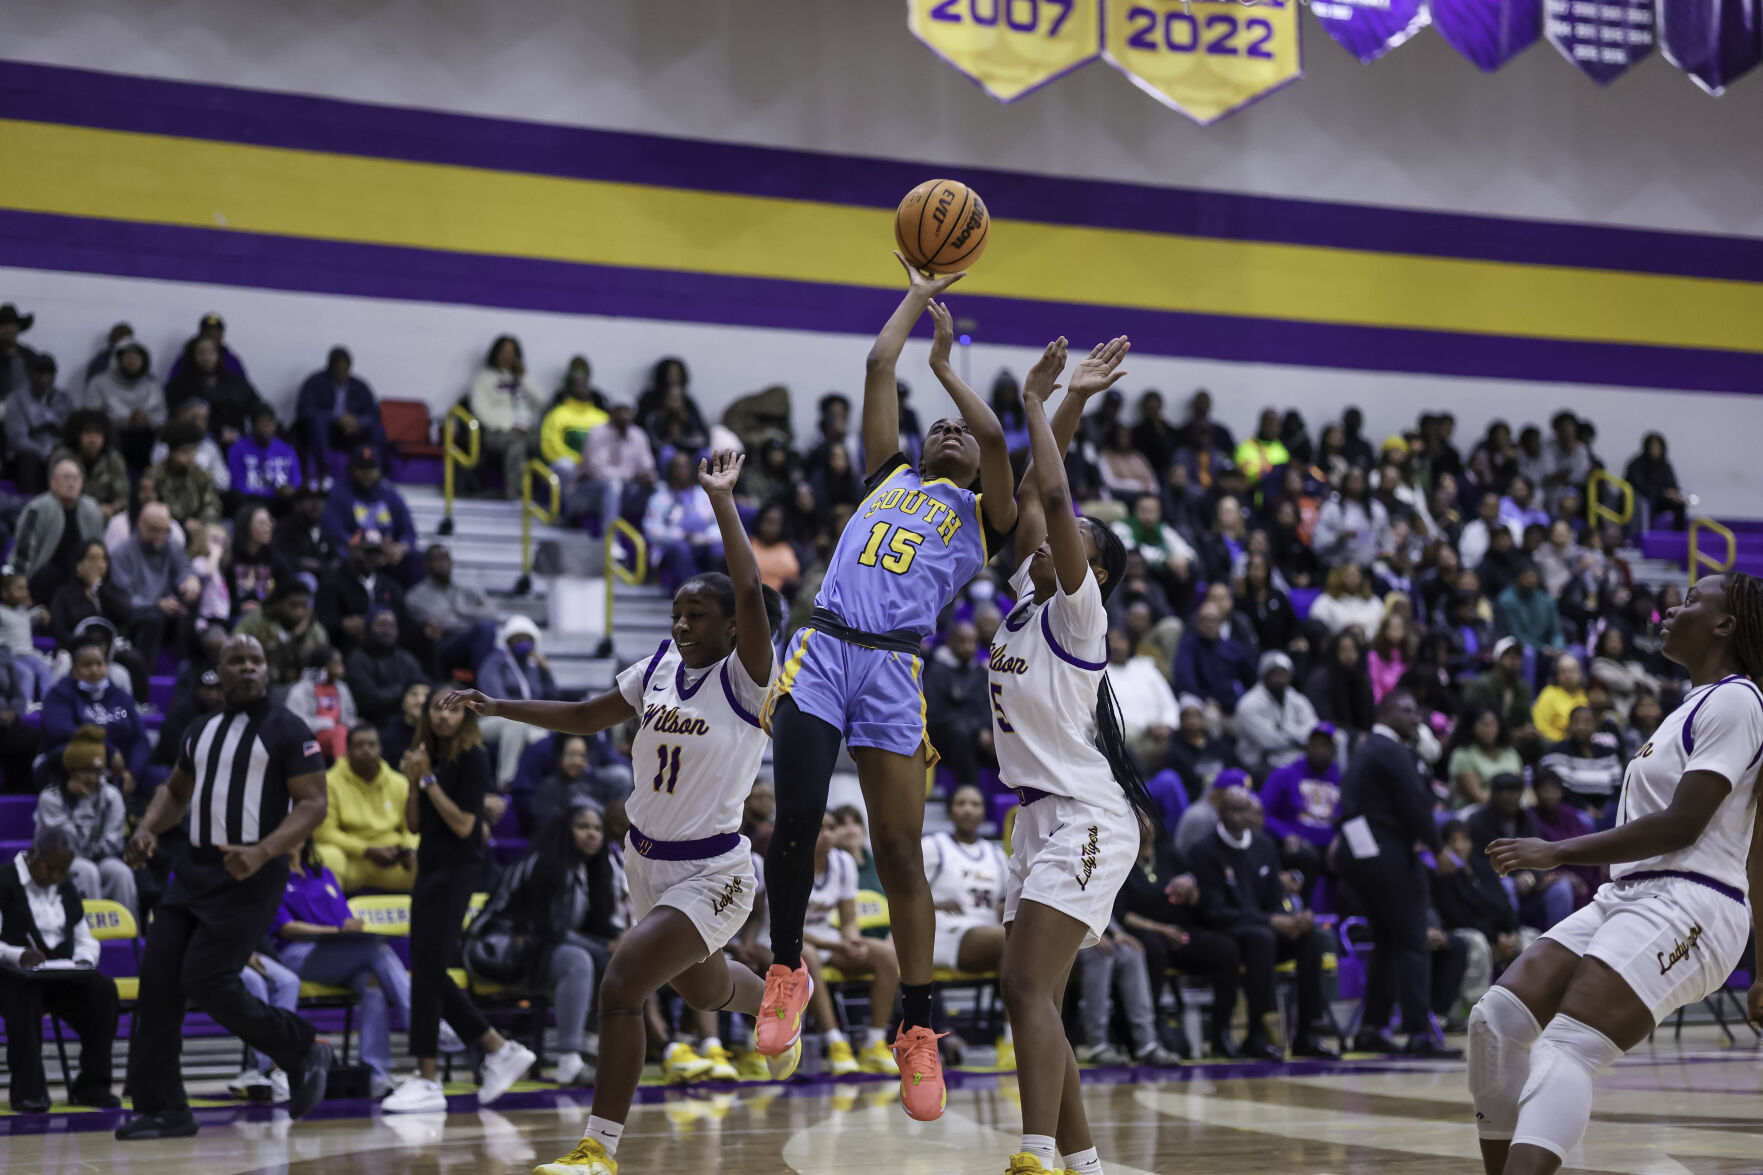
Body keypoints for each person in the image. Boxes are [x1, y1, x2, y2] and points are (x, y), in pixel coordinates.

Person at [450, 450, 788, 1173]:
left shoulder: (747, 678)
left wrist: (722, 500)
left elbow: (754, 591)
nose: (684, 623)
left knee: (622, 982)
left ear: (733, 628)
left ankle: (596, 1149)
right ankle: (776, 1008)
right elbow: (580, 713)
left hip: (714, 867)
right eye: (678, 613)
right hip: (643, 858)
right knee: (701, 985)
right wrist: (498, 704)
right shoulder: (660, 667)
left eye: (699, 615)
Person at [757, 260, 1019, 1122]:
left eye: (959, 431)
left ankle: (914, 1025)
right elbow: (877, 366)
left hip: (893, 670)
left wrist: (950, 370)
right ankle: (786, 970)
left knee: (900, 853)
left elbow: (998, 444)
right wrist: (916, 289)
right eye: (935, 424)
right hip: (825, 648)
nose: (946, 429)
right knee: (793, 816)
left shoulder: (985, 515)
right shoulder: (885, 477)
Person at [1469, 573, 1763, 1175]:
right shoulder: (1693, 707)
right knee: (1495, 1022)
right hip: (1627, 893)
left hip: (1693, 902)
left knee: (1569, 1045)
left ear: (1724, 624)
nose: (1669, 609)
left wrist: (1556, 851)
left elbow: (1686, 827)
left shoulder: (1740, 700)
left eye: (1688, 601)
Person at [989, 334, 1166, 1175]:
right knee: (1038, 999)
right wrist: (1072, 396)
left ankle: (1034, 1153)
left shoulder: (1074, 615)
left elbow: (1053, 493)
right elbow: (1031, 492)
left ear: (1089, 567)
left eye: (1071, 538)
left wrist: (1036, 404)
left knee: (1024, 987)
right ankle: (1083, 1161)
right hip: (1039, 817)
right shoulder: (1026, 601)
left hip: (1087, 819)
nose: (1050, 535)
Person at [112, 635, 333, 1140]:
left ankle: (301, 1047)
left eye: (257, 660)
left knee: (207, 979)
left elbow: (313, 804)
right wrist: (147, 829)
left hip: (252, 873)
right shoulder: (201, 728)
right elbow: (175, 791)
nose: (249, 668)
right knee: (159, 985)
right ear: (221, 671)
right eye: (238, 661)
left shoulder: (287, 728)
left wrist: (263, 851)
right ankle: (163, 1107)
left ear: (266, 670)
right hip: (193, 869)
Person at [378, 687, 536, 1113]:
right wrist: (414, 784)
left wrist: (427, 781)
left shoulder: (473, 759)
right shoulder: (430, 758)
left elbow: (466, 825)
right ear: (426, 716)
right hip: (429, 868)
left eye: (453, 709)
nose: (444, 716)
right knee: (425, 972)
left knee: (429, 970)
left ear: (466, 716)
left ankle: (458, 1064)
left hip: (458, 870)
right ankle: (478, 1057)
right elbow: (413, 825)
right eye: (436, 708)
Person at [1336, 691, 1461, 1058]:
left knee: (1388, 942)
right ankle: (1419, 1034)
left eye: (1416, 712)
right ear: (1385, 712)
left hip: (1361, 854)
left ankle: (1372, 1028)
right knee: (1412, 941)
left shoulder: (1367, 748)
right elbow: (1415, 804)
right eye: (1406, 711)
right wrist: (1437, 848)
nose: (1414, 718)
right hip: (1387, 854)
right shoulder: (1390, 749)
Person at [466, 799, 621, 1088]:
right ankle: (567, 1061)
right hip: (492, 948)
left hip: (535, 952)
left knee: (614, 959)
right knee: (579, 959)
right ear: (565, 831)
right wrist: (605, 947)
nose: (592, 834)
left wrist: (617, 941)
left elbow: (590, 930)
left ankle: (589, 1049)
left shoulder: (589, 871)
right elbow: (548, 930)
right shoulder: (543, 865)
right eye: (583, 827)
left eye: (598, 829)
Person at [1190, 788, 1339, 1060]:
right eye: (1234, 809)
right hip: (1226, 932)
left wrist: (1295, 919)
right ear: (1221, 812)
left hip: (1263, 928)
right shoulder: (1204, 851)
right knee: (1262, 938)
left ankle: (1307, 1032)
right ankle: (1257, 1034)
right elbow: (1213, 911)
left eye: (1246, 809)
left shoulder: (1264, 846)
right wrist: (1272, 920)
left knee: (1312, 938)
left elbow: (1273, 900)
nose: (1241, 816)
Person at [272, 837, 418, 1097]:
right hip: (298, 955)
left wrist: (350, 926)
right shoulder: (272, 876)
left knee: (373, 984)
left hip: (338, 953)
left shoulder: (323, 873)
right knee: (377, 950)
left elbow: (344, 918)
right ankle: (421, 1024)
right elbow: (286, 928)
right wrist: (335, 930)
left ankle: (377, 1075)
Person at [0, 825, 119, 1113]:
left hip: (58, 976)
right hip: (11, 978)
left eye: (62, 870)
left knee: (103, 990)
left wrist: (83, 962)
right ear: (33, 855)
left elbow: (85, 938)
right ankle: (29, 1092)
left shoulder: (64, 887)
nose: (55, 876)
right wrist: (20, 956)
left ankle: (92, 1087)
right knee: (23, 993)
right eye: (50, 867)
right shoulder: (4, 881)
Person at [800, 811, 902, 1074]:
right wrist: (837, 946)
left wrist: (852, 941)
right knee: (807, 955)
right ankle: (835, 1043)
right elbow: (789, 928)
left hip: (828, 939)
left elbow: (848, 919)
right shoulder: (790, 862)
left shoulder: (843, 862)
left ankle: (874, 1043)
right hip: (788, 941)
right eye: (819, 827)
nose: (826, 833)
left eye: (831, 827)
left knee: (885, 955)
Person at [33, 728, 136, 913]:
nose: (92, 778)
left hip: (98, 857)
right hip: (55, 862)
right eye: (86, 771)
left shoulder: (111, 795)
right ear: (71, 770)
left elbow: (114, 841)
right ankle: (88, 936)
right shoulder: (51, 799)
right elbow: (66, 846)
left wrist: (93, 851)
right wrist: (82, 806)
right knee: (87, 872)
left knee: (121, 873)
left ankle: (128, 939)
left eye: (97, 771)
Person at [315, 723, 417, 893]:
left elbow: (410, 830)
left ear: (380, 749)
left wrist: (409, 850)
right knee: (328, 856)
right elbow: (324, 833)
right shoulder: (329, 782)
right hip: (352, 859)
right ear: (347, 750)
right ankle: (334, 918)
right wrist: (366, 850)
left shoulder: (399, 782)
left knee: (429, 854)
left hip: (392, 860)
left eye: (371, 744)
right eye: (359, 745)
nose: (366, 750)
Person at [41, 638, 149, 794]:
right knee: (79, 755)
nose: (94, 670)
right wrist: (109, 751)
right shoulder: (60, 694)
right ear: (74, 669)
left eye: (99, 664)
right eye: (86, 665)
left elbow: (140, 738)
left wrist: (133, 772)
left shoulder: (120, 696)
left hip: (120, 765)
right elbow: (62, 730)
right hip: (71, 762)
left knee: (158, 776)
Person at [923, 784, 1007, 980]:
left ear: (983, 812)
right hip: (946, 931)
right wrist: (935, 904)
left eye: (975, 804)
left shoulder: (995, 854)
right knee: (1010, 941)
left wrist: (1004, 908)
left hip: (988, 929)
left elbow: (1004, 901)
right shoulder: (933, 846)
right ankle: (1020, 1011)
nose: (968, 809)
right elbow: (905, 895)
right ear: (950, 810)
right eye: (961, 803)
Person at [8, 456, 105, 605]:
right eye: (66, 477)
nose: (71, 482)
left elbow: (100, 548)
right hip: (44, 579)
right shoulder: (37, 508)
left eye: (75, 478)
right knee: (51, 575)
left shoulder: (91, 508)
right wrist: (20, 586)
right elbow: (22, 552)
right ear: (52, 482)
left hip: (81, 578)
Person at [476, 614, 560, 787]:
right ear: (507, 642)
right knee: (516, 724)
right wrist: (525, 715)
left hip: (529, 722)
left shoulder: (534, 667)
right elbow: (494, 698)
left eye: (527, 639)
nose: (523, 643)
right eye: (517, 639)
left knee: (544, 738)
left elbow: (553, 699)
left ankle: (537, 785)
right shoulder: (495, 661)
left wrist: (546, 672)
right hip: (493, 719)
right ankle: (505, 783)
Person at [1259, 723, 1342, 882]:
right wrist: (1285, 834)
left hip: (1330, 843)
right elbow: (1263, 813)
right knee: (1305, 856)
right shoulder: (1284, 774)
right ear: (1306, 746)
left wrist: (1340, 839)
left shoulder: (1341, 780)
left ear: (1334, 751)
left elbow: (1348, 816)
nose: (1319, 750)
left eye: (1325, 746)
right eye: (1315, 744)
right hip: (1297, 842)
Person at [468, 335, 546, 498]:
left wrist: (523, 376)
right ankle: (516, 496)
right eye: (504, 352)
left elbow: (541, 401)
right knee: (516, 444)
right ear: (495, 354)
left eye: (512, 353)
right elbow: (480, 409)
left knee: (547, 442)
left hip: (525, 429)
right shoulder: (484, 378)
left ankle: (547, 496)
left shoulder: (522, 378)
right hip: (498, 432)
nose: (507, 357)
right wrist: (507, 425)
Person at [320, 446, 417, 576]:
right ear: (352, 469)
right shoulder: (338, 493)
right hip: (355, 553)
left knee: (416, 560)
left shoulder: (389, 493)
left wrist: (400, 548)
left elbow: (408, 531)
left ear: (379, 469)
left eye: (371, 468)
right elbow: (334, 531)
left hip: (388, 554)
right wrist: (370, 549)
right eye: (361, 468)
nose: (367, 473)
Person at [404, 544, 498, 675]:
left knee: (500, 651)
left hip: (474, 640)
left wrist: (462, 612)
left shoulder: (467, 586)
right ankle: (482, 686)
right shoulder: (415, 597)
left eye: (445, 558)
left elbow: (492, 614)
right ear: (426, 565)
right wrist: (473, 617)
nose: (442, 563)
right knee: (485, 630)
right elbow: (445, 624)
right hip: (445, 647)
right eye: (436, 559)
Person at [924, 619, 995, 787]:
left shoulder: (980, 672)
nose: (969, 647)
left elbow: (988, 707)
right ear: (950, 642)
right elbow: (935, 714)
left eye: (973, 642)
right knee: (960, 733)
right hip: (946, 739)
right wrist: (978, 730)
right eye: (963, 641)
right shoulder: (936, 672)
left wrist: (988, 730)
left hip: (978, 737)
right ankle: (968, 792)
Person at [295, 346, 383, 480]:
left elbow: (373, 413)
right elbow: (305, 410)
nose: (341, 372)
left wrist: (357, 421)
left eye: (345, 368)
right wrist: (337, 419)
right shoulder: (315, 383)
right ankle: (324, 472)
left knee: (377, 429)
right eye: (338, 368)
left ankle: (378, 472)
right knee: (318, 421)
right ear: (330, 366)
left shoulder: (359, 386)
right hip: (326, 431)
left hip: (351, 432)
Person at [643, 450, 724, 593]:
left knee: (719, 550)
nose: (682, 471)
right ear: (670, 471)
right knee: (681, 549)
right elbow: (651, 528)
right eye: (677, 467)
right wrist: (681, 536)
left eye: (685, 466)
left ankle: (716, 593)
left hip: (703, 541)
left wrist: (706, 537)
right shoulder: (659, 498)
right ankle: (693, 594)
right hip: (672, 546)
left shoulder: (705, 495)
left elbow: (719, 525)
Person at [573, 401, 657, 531]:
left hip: (626, 490)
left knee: (658, 487)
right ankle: (611, 540)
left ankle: (655, 537)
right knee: (613, 485)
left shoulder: (638, 435)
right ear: (611, 413)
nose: (624, 416)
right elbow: (597, 472)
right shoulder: (597, 433)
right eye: (620, 411)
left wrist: (648, 476)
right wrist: (632, 476)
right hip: (589, 490)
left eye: (628, 412)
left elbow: (647, 465)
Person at [82, 337, 165, 468]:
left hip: (146, 440)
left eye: (136, 359)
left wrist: (148, 419)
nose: (132, 363)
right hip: (112, 439)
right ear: (118, 360)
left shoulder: (151, 386)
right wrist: (125, 420)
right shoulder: (99, 383)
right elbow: (92, 417)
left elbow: (162, 417)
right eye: (128, 358)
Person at [1235, 651, 1318, 778]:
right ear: (1264, 675)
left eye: (1283, 672)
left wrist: (1283, 730)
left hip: (1295, 756)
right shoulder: (1248, 704)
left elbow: (1314, 729)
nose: (1279, 677)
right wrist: (1299, 737)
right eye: (1274, 672)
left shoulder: (1295, 698)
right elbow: (1268, 741)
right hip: (1259, 764)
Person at [164, 334, 260, 443]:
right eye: (201, 352)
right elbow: (175, 416)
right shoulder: (179, 385)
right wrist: (217, 431)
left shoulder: (236, 381)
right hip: (195, 443)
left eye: (211, 352)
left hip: (237, 440)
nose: (206, 357)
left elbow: (256, 406)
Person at [1107, 627, 1180, 768]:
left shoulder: (1145, 667)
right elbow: (1108, 714)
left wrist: (1166, 725)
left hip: (1161, 733)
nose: (1116, 646)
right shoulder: (1100, 673)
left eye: (1121, 640)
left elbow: (1168, 702)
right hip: (1129, 738)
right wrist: (1147, 728)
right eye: (1111, 641)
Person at [1538, 705, 1625, 822]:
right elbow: (1560, 791)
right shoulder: (1558, 751)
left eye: (1587, 722)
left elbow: (1617, 787)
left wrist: (1607, 809)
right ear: (1569, 725)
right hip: (1573, 808)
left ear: (1595, 725)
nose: (1581, 726)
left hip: (1606, 808)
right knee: (1586, 820)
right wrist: (1586, 808)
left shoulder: (1608, 753)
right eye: (1576, 721)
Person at [236, 578, 330, 686]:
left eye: (303, 606)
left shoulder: (316, 631)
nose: (299, 612)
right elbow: (238, 650)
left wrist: (300, 638)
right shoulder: (254, 622)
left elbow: (320, 669)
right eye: (293, 606)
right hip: (260, 685)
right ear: (278, 603)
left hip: (301, 689)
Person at [7, 353, 75, 494]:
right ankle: (30, 504)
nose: (44, 378)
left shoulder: (63, 398)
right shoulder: (17, 399)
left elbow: (72, 430)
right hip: (29, 455)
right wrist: (44, 453)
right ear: (30, 374)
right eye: (40, 372)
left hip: (58, 452)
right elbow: (18, 439)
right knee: (28, 459)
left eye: (49, 373)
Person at [346, 608, 427, 728]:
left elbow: (422, 684)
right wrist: (403, 688)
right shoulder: (357, 659)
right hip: (374, 724)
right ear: (368, 627)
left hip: (408, 719)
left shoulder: (405, 657)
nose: (387, 630)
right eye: (381, 625)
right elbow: (370, 701)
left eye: (391, 626)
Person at [51, 410, 131, 522]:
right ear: (77, 434)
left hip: (107, 516)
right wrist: (93, 510)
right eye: (88, 432)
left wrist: (112, 508)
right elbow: (57, 494)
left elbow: (123, 497)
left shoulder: (113, 458)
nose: (93, 439)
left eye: (98, 433)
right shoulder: (62, 457)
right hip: (68, 515)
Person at [541, 359, 610, 479]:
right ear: (569, 388)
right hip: (569, 466)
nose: (581, 388)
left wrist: (594, 463)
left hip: (597, 467)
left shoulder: (602, 417)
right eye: (577, 385)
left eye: (584, 385)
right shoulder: (557, 414)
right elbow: (550, 446)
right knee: (565, 465)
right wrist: (579, 461)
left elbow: (610, 445)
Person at [286, 646, 358, 760]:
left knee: (364, 734)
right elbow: (296, 723)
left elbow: (349, 717)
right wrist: (329, 723)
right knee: (339, 733)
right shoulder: (302, 690)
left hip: (339, 737)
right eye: (336, 663)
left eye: (341, 662)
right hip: (309, 743)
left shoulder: (342, 688)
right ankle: (342, 770)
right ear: (324, 666)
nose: (341, 667)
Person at [1448, 705, 1525, 808]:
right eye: (1484, 724)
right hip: (1475, 812)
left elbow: (1522, 787)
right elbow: (1477, 796)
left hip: (1511, 810)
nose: (1489, 729)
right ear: (1471, 727)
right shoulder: (1462, 755)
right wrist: (1511, 799)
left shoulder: (1510, 753)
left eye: (1493, 723)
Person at [227, 403, 303, 508]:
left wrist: (288, 490)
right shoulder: (237, 449)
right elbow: (238, 487)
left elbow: (296, 484)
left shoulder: (286, 450)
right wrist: (272, 492)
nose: (266, 427)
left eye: (270, 422)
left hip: (281, 503)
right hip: (251, 502)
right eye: (262, 423)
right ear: (253, 426)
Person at [149, 420, 223, 527]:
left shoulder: (202, 475)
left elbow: (212, 505)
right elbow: (152, 508)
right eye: (185, 451)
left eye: (193, 451)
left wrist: (203, 523)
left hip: (198, 527)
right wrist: (182, 523)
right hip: (165, 527)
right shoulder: (155, 475)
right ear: (171, 452)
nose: (190, 457)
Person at [1310, 561, 1385, 639]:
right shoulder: (1325, 601)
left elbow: (1382, 627)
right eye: (1348, 575)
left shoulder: (1374, 601)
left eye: (1356, 574)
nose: (1352, 578)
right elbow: (1317, 627)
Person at [1531, 654, 1589, 744]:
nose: (1567, 675)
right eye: (1563, 671)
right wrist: (1562, 742)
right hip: (1554, 743)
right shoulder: (1549, 693)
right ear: (1557, 674)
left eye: (1571, 671)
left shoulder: (1587, 695)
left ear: (1580, 673)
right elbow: (1541, 726)